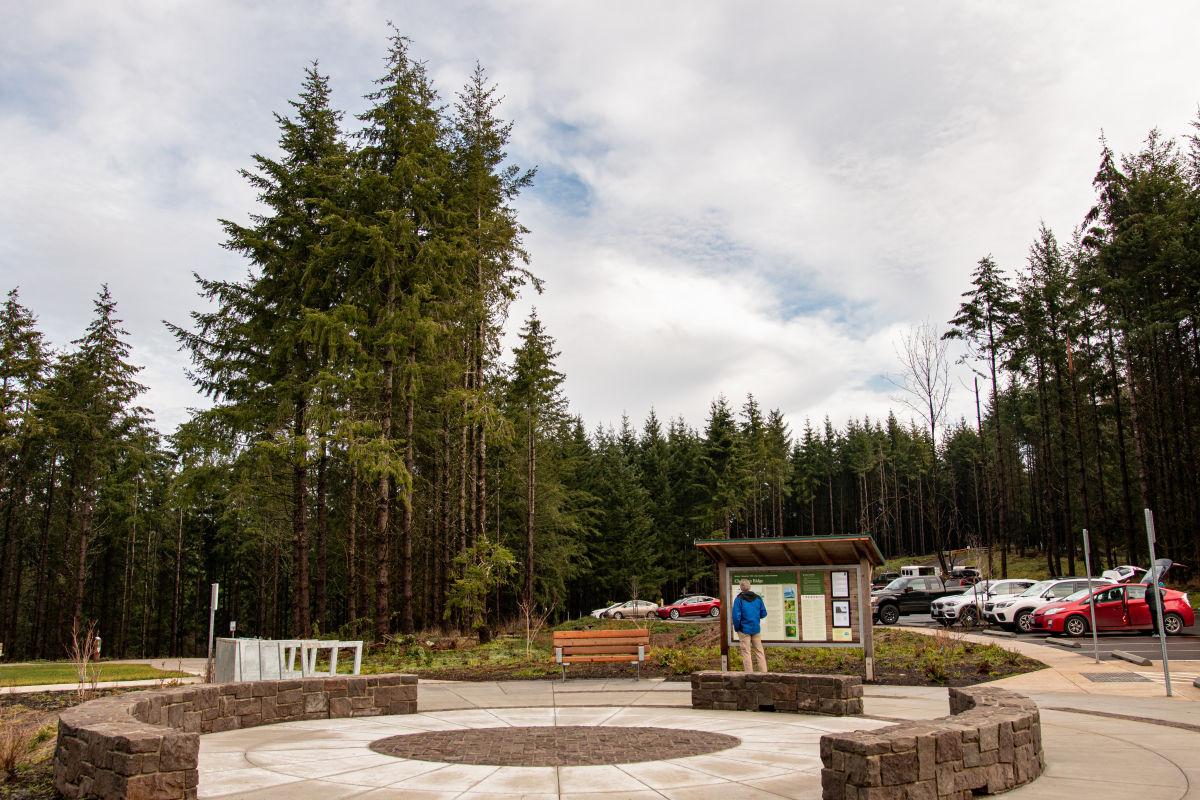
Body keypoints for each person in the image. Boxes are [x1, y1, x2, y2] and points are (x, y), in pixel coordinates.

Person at [732, 579, 768, 673]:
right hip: (755, 629)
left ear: (741, 588)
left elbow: (736, 617)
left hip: (744, 630)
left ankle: (749, 674)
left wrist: (737, 628)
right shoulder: (758, 598)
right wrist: (756, 618)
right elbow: (763, 613)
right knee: (759, 651)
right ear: (750, 586)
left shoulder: (738, 599)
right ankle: (764, 673)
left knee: (746, 652)